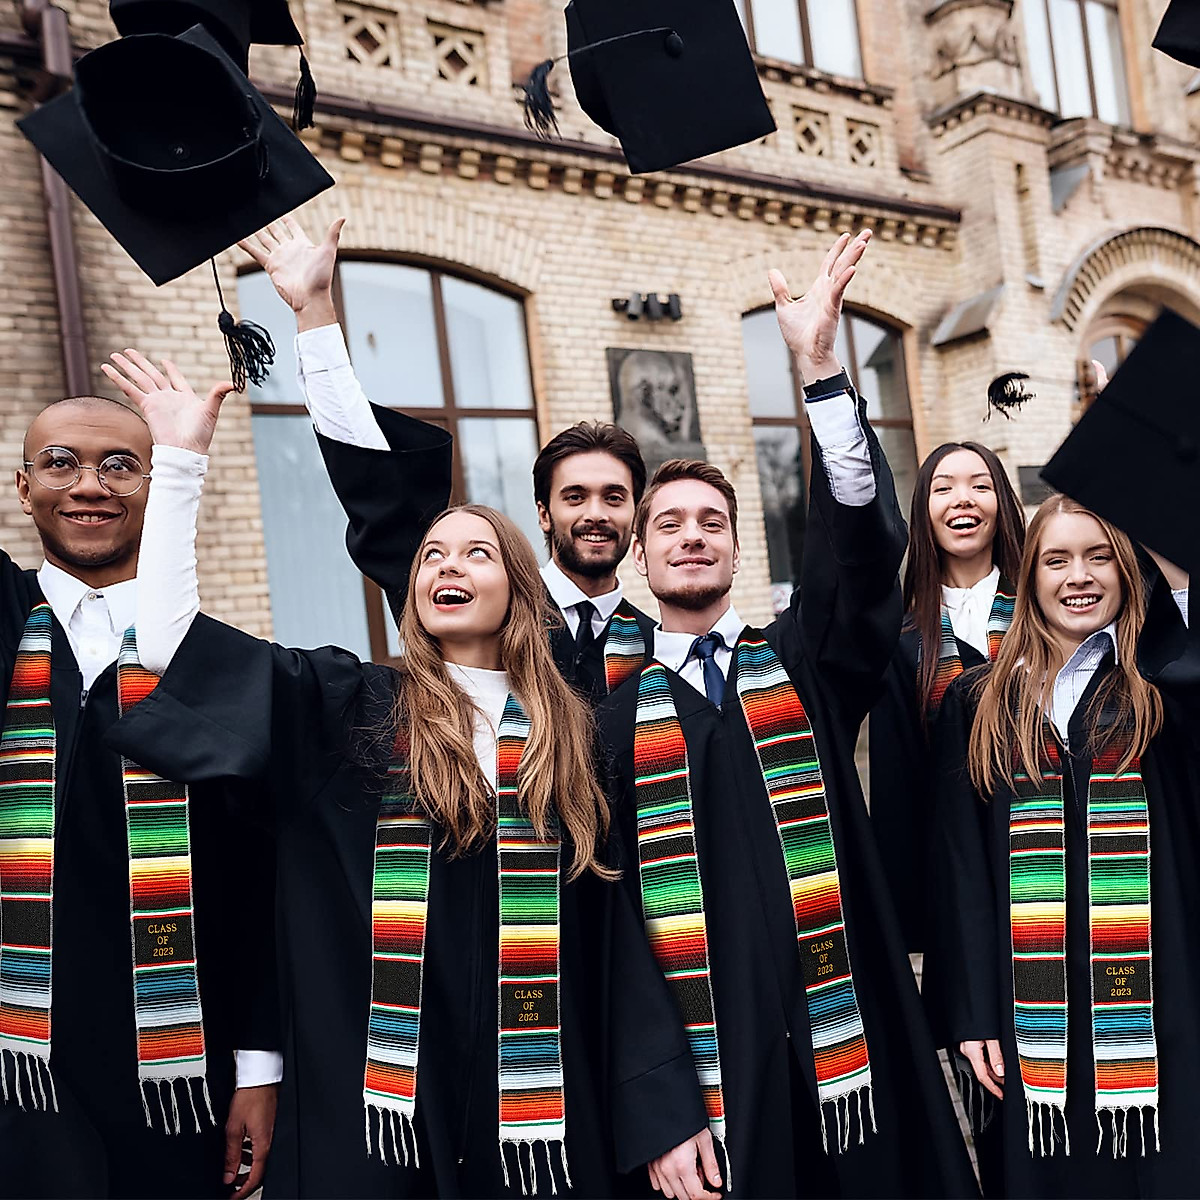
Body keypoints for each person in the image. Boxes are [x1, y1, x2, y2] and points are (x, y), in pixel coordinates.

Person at [101, 348, 718, 1200]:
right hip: (377, 1109)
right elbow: (169, 648)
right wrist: (180, 462)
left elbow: (617, 944)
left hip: (536, 1114)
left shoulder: (571, 742)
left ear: (521, 592)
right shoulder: (349, 706)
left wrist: (663, 1108)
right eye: (431, 555)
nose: (446, 566)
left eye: (476, 553)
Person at [594, 230, 978, 1198]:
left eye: (711, 523)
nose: (691, 538)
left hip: (849, 1056)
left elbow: (859, 557)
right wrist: (658, 1107)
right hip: (710, 1083)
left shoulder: (802, 664)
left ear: (737, 547)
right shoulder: (603, 717)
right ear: (639, 556)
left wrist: (818, 374)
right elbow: (608, 932)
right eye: (668, 525)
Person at [0, 392, 280, 1198]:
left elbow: (257, 883)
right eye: (61, 464)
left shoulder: (219, 670)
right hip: (17, 1068)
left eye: (121, 465)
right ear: (23, 488)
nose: (90, 485)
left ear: (157, 488)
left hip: (174, 1072)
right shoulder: (4, 624)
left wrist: (259, 1068)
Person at [236, 214, 657, 705]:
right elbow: (375, 482)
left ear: (636, 513)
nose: (595, 513)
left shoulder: (660, 649)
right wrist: (314, 313)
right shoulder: (483, 606)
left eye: (614, 497)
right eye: (575, 496)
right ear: (544, 512)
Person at [926, 494, 1195, 1197]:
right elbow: (962, 871)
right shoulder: (980, 702)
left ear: (1126, 571)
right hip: (1029, 1011)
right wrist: (972, 1011)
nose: (1079, 575)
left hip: (1162, 995)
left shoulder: (1162, 690)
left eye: (1099, 556)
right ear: (1029, 576)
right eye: (1057, 560)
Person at [869, 441, 1025, 953]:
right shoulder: (905, 641)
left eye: (981, 486)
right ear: (923, 512)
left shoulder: (1043, 614)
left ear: (1003, 504)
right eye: (944, 488)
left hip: (1048, 854)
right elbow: (899, 783)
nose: (963, 498)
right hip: (959, 878)